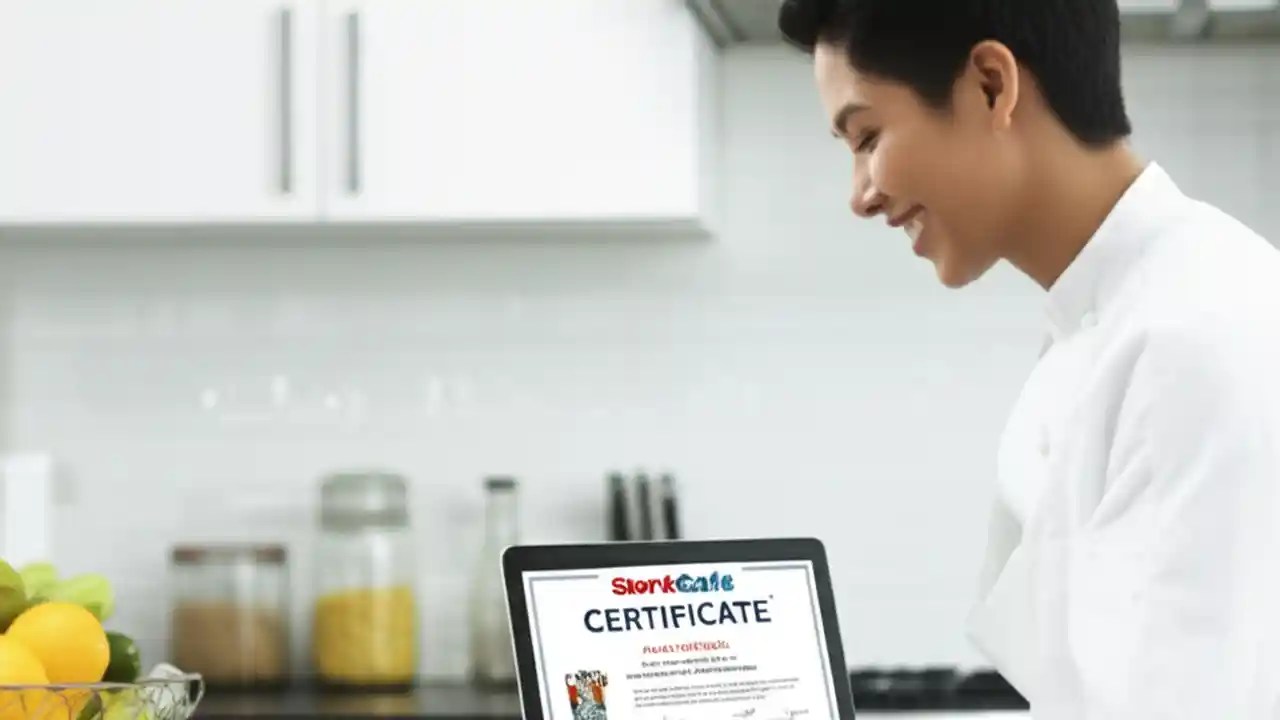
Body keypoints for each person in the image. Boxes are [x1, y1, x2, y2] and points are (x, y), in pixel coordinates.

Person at [778, 0, 1280, 716]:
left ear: (990, 85)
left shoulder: (1196, 334)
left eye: (867, 136)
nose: (860, 195)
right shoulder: (1118, 316)